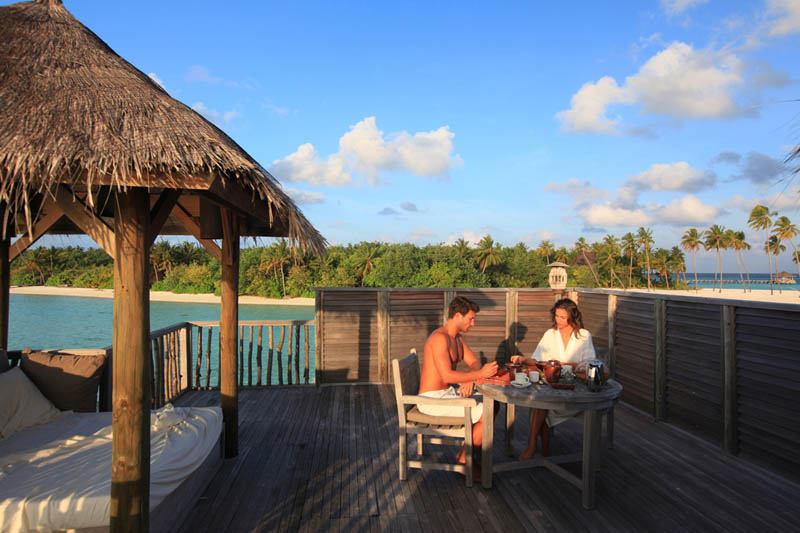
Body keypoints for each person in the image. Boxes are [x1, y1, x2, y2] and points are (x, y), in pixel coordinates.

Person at [419, 296, 498, 477]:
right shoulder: (439, 339)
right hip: (431, 399)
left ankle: (467, 454)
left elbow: (474, 361)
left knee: (494, 404)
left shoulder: (457, 339)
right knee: (487, 411)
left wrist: (470, 378)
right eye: (471, 319)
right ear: (457, 316)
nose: (473, 323)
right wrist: (478, 375)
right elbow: (447, 375)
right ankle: (465, 459)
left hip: (446, 393)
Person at [510, 298, 595, 460]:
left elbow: (588, 364)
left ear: (572, 317)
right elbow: (538, 360)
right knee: (541, 401)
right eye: (556, 316)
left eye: (562, 317)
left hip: (576, 389)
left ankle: (539, 449)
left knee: (542, 404)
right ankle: (534, 445)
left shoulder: (584, 336)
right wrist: (523, 360)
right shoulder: (550, 334)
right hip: (552, 384)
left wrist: (560, 364)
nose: (558, 320)